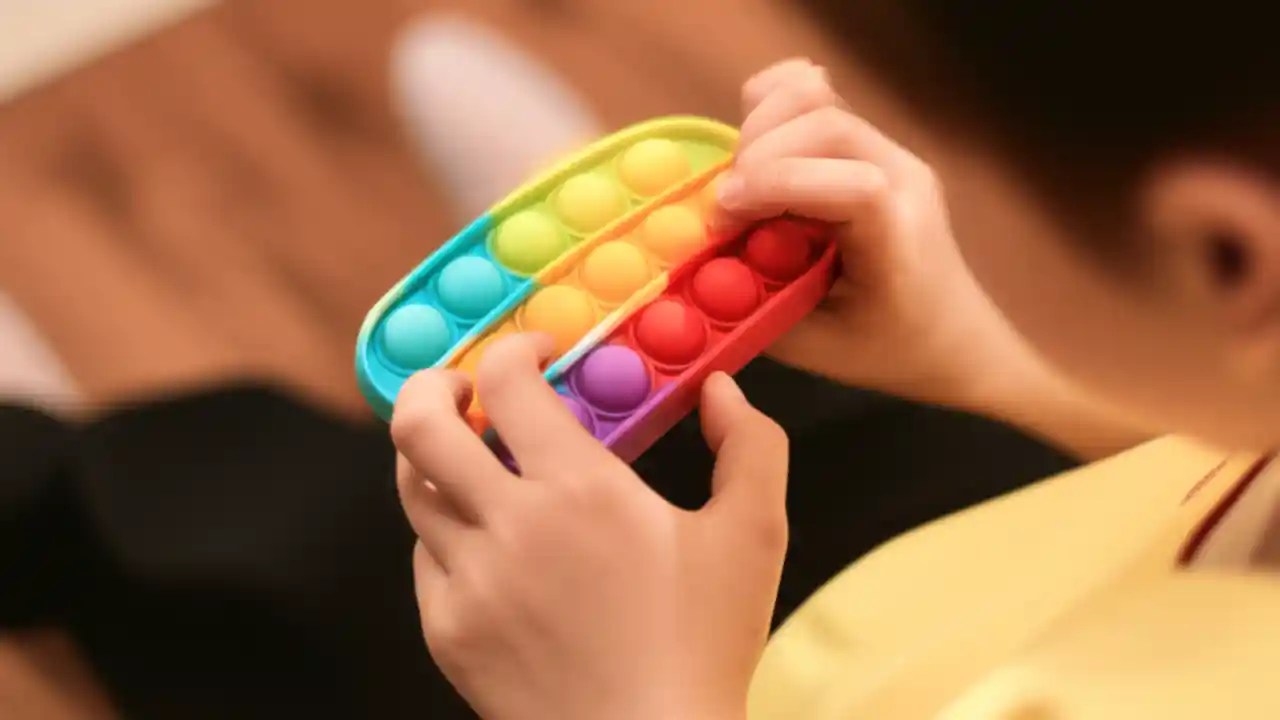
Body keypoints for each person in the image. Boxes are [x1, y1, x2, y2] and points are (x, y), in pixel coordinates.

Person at [389, 5, 1278, 719]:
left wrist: (631, 699)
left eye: (945, 148)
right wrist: (982, 358)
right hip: (918, 620)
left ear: (1226, 260)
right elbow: (1213, 453)